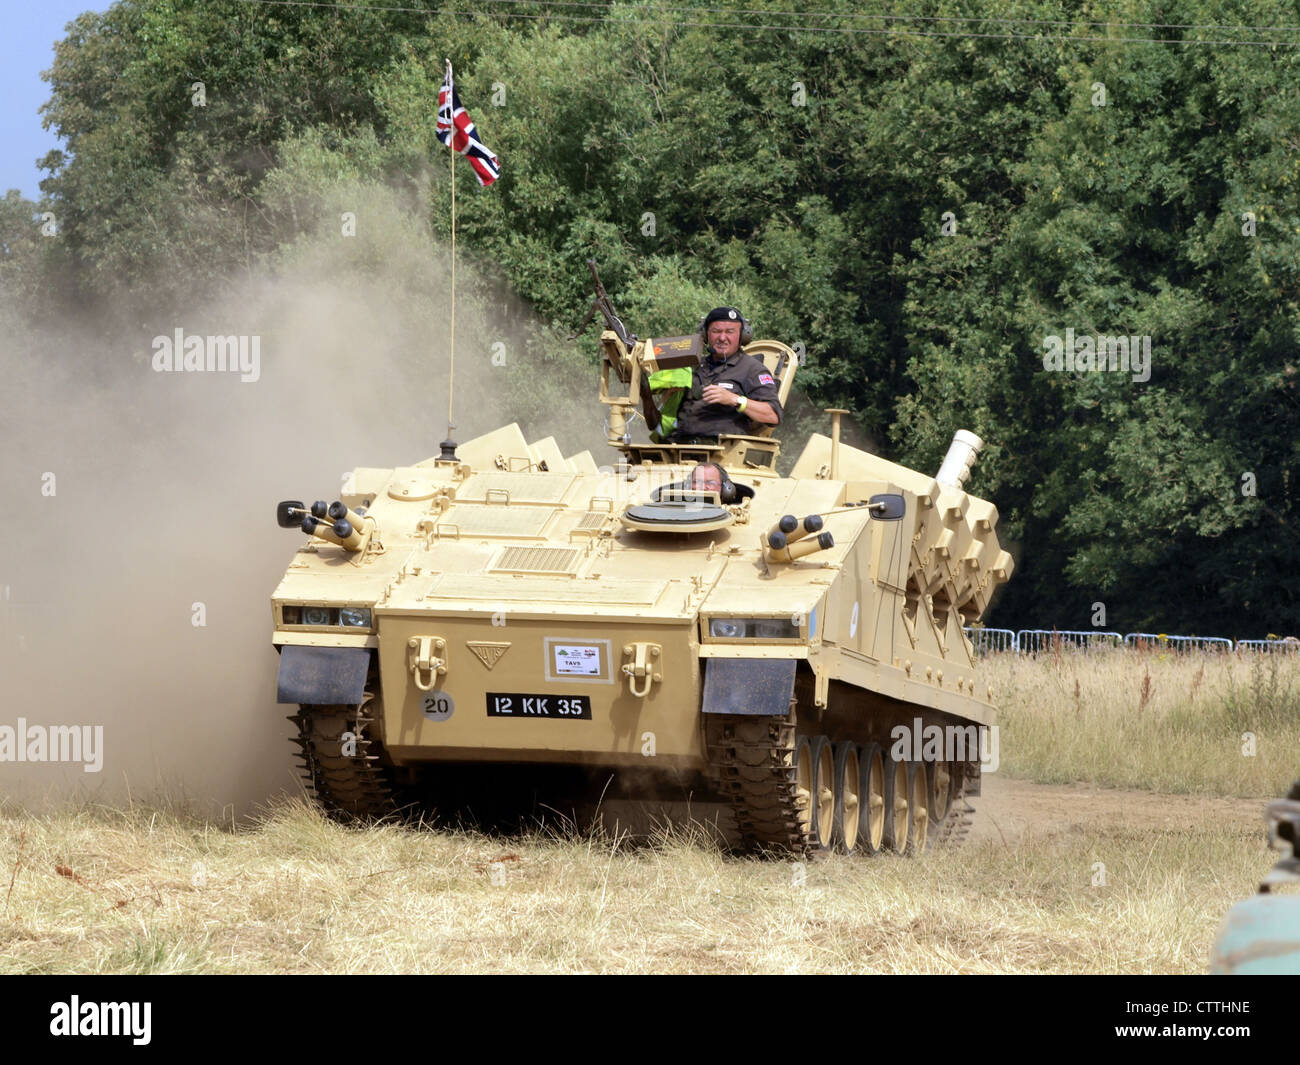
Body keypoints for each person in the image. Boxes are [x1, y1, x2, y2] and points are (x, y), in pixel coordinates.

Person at [659, 307, 783, 443]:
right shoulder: (692, 365)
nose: (722, 338)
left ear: (742, 336)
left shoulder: (752, 369)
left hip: (722, 455)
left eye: (730, 332)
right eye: (716, 331)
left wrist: (734, 399)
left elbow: (773, 415)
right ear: (705, 335)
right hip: (677, 449)